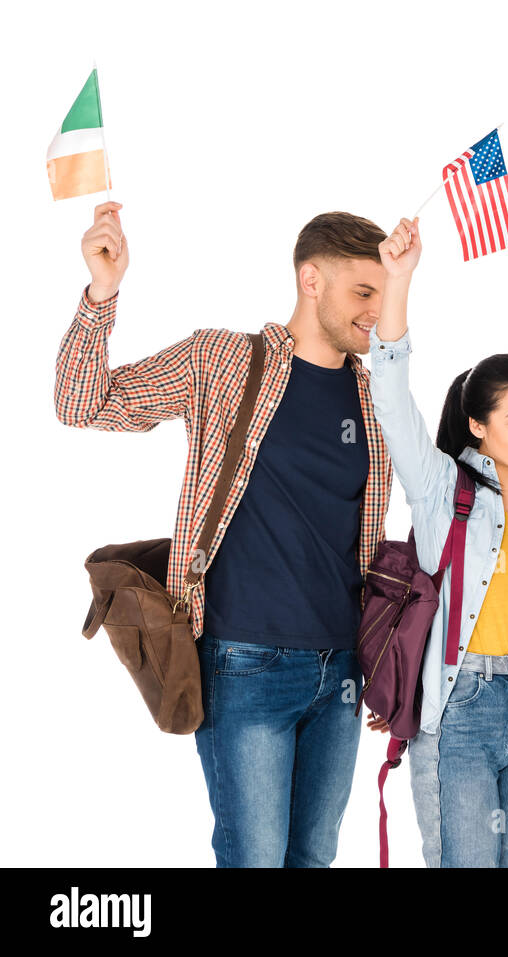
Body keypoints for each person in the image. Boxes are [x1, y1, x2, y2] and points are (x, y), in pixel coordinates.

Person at [55, 203, 395, 867]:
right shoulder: (224, 360)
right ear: (311, 280)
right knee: (254, 859)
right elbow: (82, 403)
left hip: (341, 673)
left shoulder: (375, 398)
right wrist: (101, 295)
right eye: (362, 293)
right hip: (246, 664)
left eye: (382, 297)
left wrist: (382, 660)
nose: (375, 314)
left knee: (313, 858)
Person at [367, 216, 508, 868]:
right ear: (477, 425)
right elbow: (390, 393)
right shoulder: (441, 488)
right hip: (462, 714)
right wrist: (399, 281)